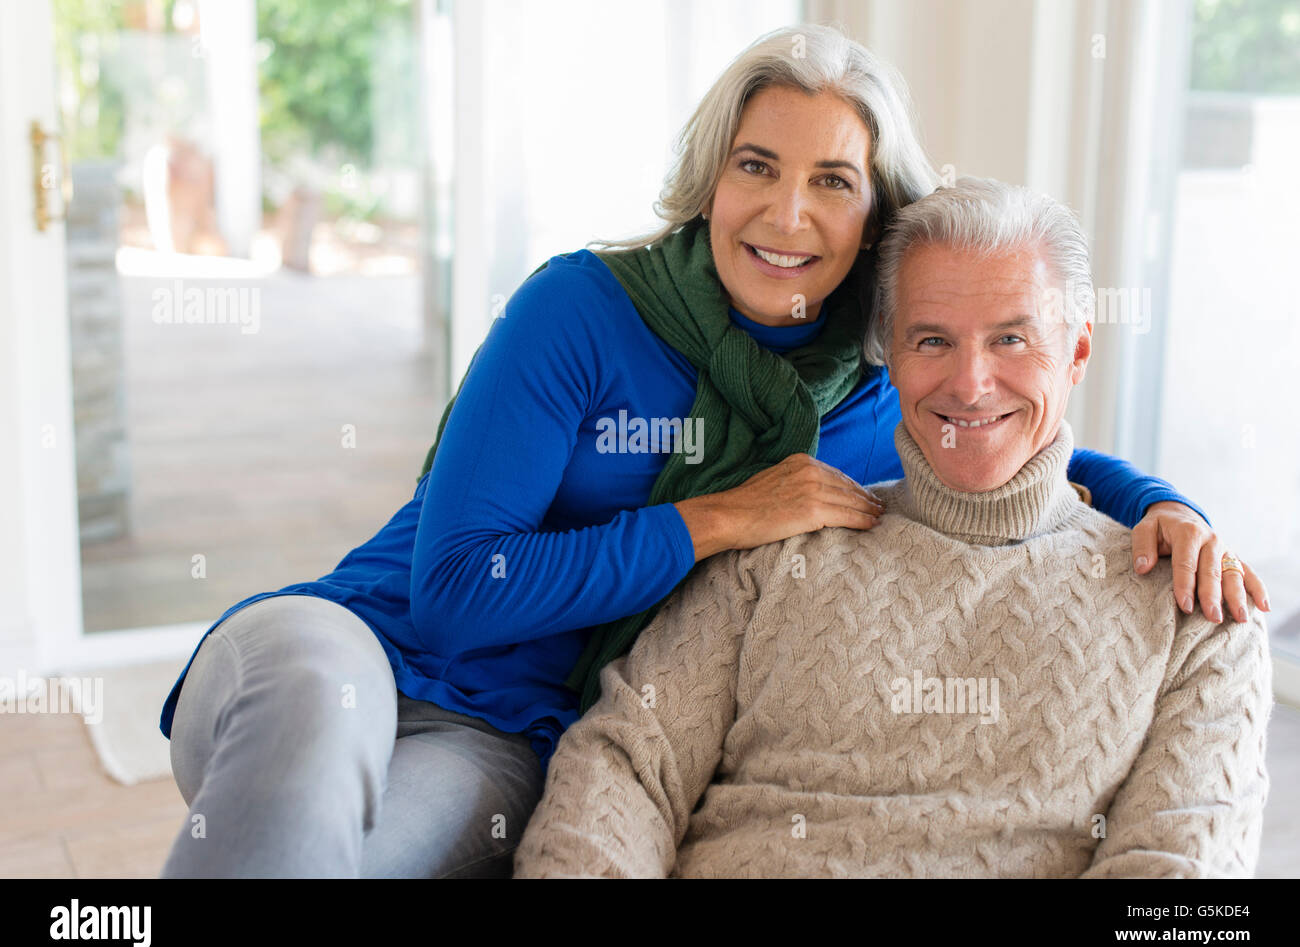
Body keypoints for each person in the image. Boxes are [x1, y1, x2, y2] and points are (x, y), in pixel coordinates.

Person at [158, 24, 1268, 878]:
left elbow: (1007, 434)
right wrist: (716, 518)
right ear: (710, 178)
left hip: (509, 734)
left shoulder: (879, 379)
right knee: (309, 713)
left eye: (832, 180)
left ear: (874, 215)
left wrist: (1167, 504)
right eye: (755, 165)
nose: (786, 212)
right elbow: (451, 591)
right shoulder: (581, 308)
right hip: (359, 641)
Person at [513, 177, 1273, 878]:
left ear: (1075, 353)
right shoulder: (781, 548)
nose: (971, 385)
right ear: (892, 361)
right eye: (933, 339)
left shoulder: (1194, 614)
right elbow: (624, 764)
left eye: (1011, 338)